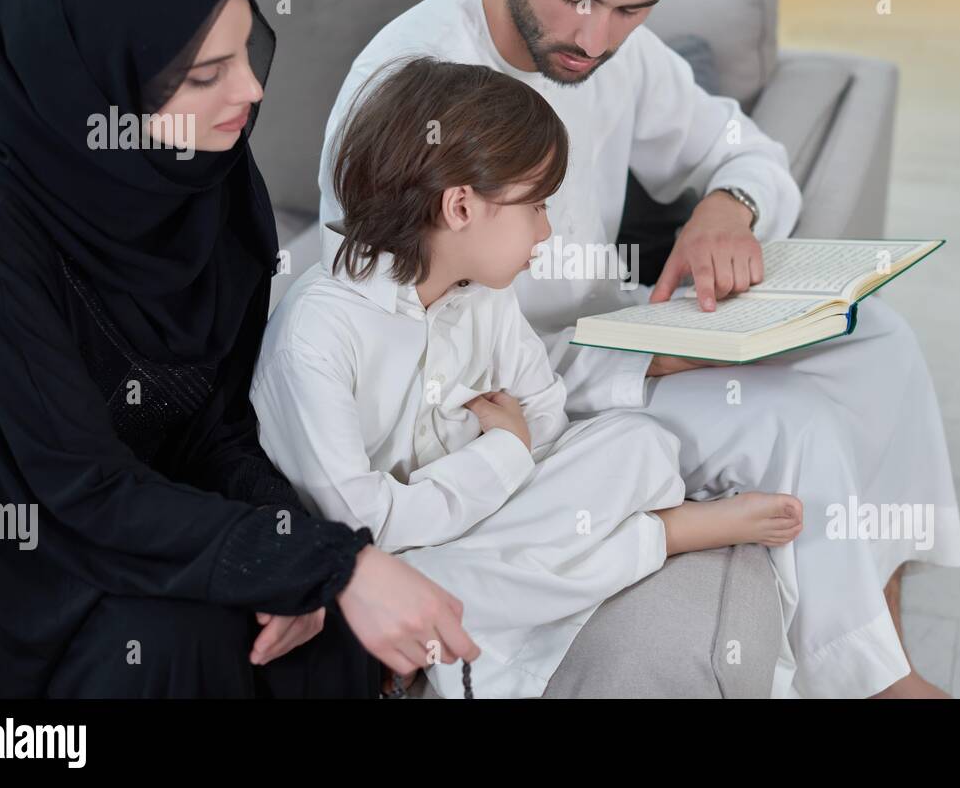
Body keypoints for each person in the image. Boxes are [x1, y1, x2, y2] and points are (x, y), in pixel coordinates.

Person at [316, 0, 960, 698]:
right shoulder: (410, 85)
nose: (594, 36)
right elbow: (416, 369)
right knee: (794, 423)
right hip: (508, 402)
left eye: (633, 8)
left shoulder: (615, 52)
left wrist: (724, 209)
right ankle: (879, 685)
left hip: (611, 334)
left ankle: (880, 637)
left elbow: (748, 152)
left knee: (879, 339)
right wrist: (645, 358)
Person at [0, 0, 474, 697]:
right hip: (27, 552)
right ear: (98, 85)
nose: (252, 90)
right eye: (203, 75)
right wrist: (327, 563)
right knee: (177, 649)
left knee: (321, 632)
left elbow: (216, 430)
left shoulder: (209, 175)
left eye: (246, 51)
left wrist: (304, 558)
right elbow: (77, 487)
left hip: (154, 520)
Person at [251, 56, 803, 698]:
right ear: (460, 205)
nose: (546, 230)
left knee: (638, 443)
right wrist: (501, 454)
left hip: (485, 515)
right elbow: (362, 525)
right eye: (536, 206)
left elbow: (546, 413)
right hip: (382, 560)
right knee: (443, 573)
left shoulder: (482, 294)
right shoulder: (319, 331)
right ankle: (657, 536)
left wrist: (508, 456)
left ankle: (481, 599)